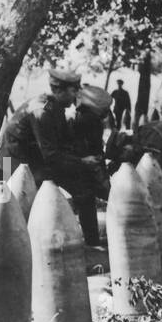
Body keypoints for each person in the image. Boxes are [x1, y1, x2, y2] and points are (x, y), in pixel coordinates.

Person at [0, 69, 106, 206]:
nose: (76, 96)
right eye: (73, 91)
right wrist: (82, 161)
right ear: (60, 91)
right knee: (28, 206)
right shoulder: (42, 111)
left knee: (84, 190)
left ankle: (88, 226)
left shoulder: (56, 108)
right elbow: (51, 155)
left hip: (31, 161)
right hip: (12, 165)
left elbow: (63, 143)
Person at [68, 84, 112, 246]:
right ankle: (92, 241)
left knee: (86, 202)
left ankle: (91, 239)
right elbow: (92, 148)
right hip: (84, 166)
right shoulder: (90, 120)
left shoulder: (79, 117)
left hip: (81, 164)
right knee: (87, 201)